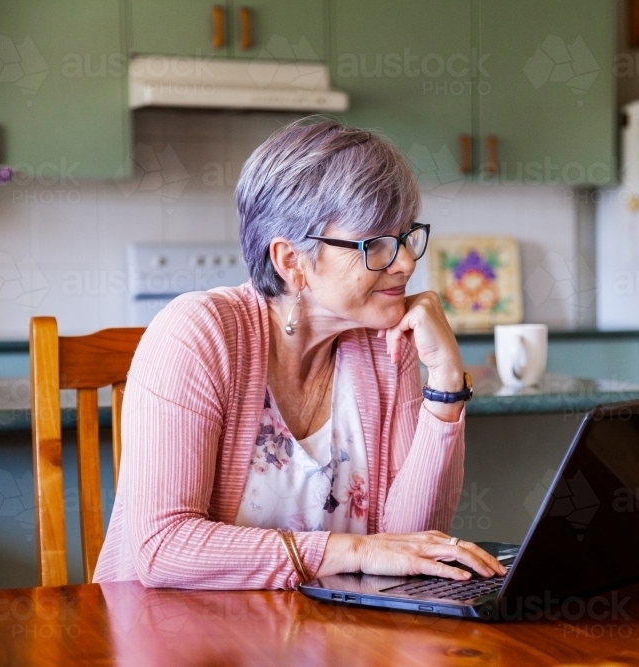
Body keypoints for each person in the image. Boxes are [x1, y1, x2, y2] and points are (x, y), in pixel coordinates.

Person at [93, 120, 504, 589]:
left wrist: (447, 379)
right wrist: (352, 550)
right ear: (291, 261)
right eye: (376, 244)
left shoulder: (386, 341)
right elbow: (163, 548)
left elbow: (411, 545)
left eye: (407, 235)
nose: (407, 262)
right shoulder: (198, 334)